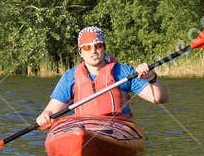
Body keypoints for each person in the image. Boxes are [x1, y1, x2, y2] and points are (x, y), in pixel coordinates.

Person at [36, 26, 165, 127]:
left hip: (118, 126)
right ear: (80, 52)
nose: (93, 51)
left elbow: (158, 98)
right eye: (87, 47)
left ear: (104, 48)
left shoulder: (123, 72)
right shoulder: (70, 77)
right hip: (84, 127)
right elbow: (51, 110)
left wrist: (152, 77)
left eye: (97, 46)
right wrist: (45, 116)